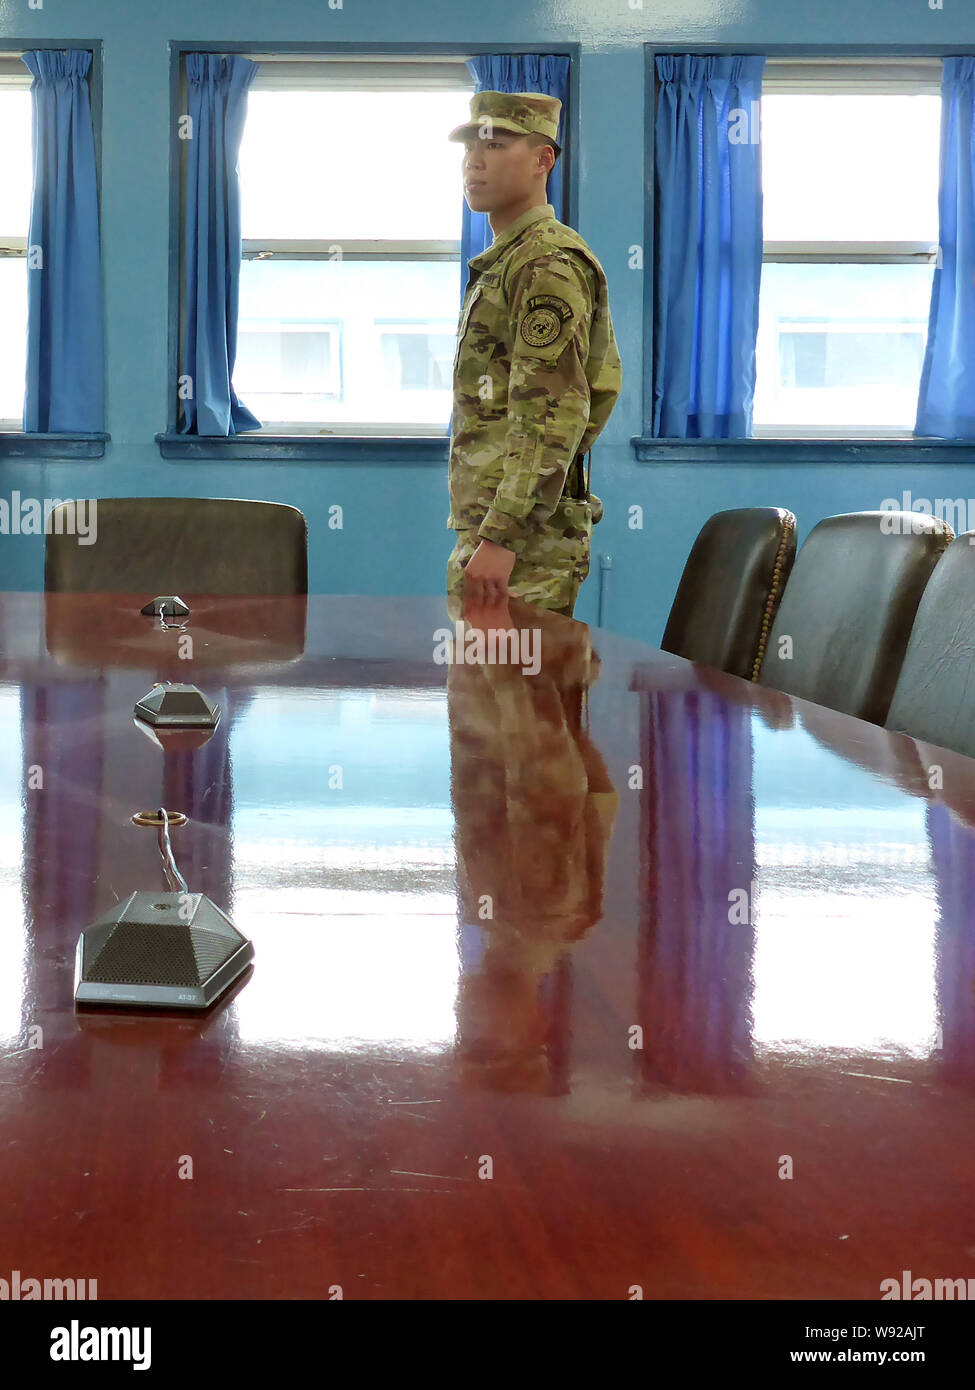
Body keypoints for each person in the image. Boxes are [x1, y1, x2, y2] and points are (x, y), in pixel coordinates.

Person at [445, 91, 622, 618]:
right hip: (496, 529)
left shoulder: (546, 262)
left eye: (496, 144)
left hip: (521, 545)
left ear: (543, 159)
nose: (474, 161)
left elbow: (552, 414)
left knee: (520, 695)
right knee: (481, 694)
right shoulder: (511, 260)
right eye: (470, 147)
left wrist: (503, 537)